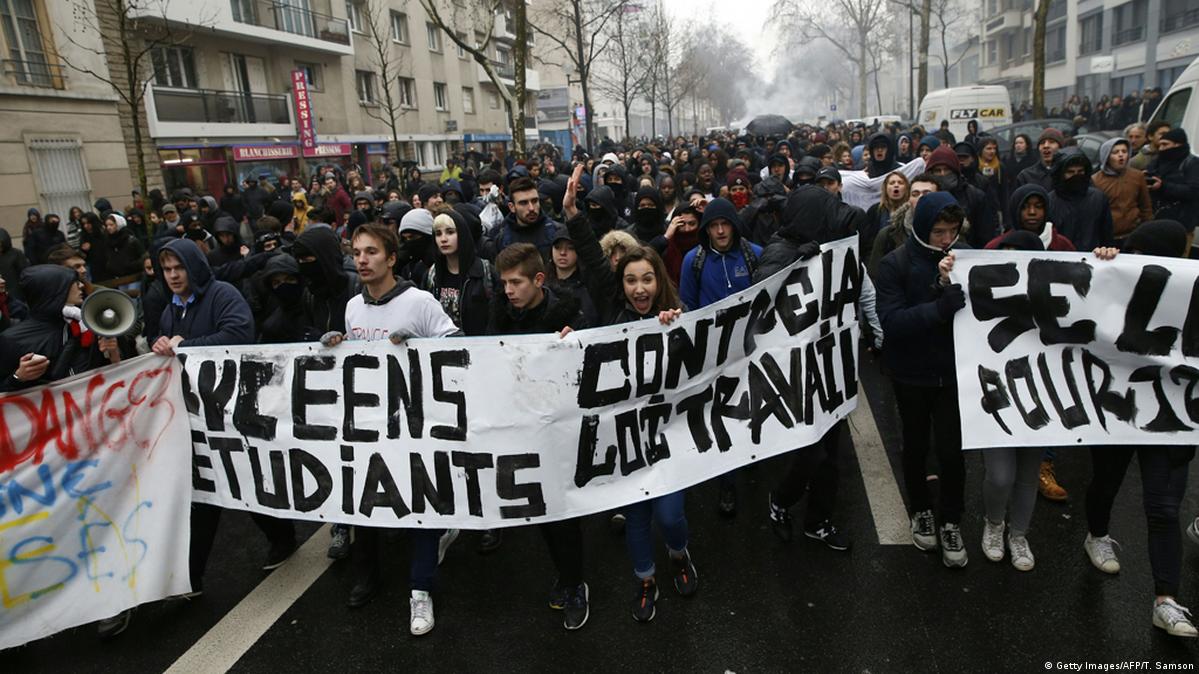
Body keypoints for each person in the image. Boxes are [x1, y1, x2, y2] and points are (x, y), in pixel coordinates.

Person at [562, 164, 697, 621]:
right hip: (623, 439)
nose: (639, 288)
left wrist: (676, 327)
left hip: (668, 436)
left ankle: (678, 553)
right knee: (637, 517)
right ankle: (645, 580)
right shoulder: (612, 315)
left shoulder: (679, 316)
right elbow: (592, 256)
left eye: (647, 279)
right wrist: (573, 215)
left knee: (670, 515)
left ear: (659, 281)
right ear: (621, 286)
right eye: (630, 280)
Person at [319, 223, 458, 635]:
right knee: (365, 499)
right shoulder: (352, 307)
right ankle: (367, 574)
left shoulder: (420, 302)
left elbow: (459, 348)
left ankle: (420, 589)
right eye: (357, 253)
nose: (362, 260)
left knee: (421, 504)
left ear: (392, 258)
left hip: (416, 425)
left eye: (372, 252)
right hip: (370, 426)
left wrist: (420, 345)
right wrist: (337, 346)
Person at [151, 239, 298, 600]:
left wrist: (184, 346)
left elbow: (237, 335)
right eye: (167, 269)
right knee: (205, 491)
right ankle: (192, 577)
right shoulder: (170, 310)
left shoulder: (222, 295)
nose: (173, 276)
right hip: (197, 414)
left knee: (242, 479)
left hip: (232, 411)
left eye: (179, 268)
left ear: (194, 267)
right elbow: (170, 347)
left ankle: (282, 537)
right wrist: (161, 345)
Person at [1082, 220, 1197, 638]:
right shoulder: (1119, 274)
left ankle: (1166, 601)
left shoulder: (1190, 284)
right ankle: (1096, 534)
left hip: (1171, 413)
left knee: (1164, 507)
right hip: (1120, 405)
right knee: (1106, 481)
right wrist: (1104, 265)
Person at [759, 186, 878, 551]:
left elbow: (859, 286)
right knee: (813, 453)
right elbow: (760, 304)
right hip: (795, 372)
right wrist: (794, 268)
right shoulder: (780, 251)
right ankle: (780, 501)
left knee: (831, 456)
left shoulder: (829, 248)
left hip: (827, 367)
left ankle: (818, 522)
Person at [486, 242, 590, 630]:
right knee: (544, 510)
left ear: (539, 280)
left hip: (561, 429)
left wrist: (577, 341)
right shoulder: (500, 313)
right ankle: (566, 574)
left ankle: (574, 583)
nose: (508, 290)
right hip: (522, 427)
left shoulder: (569, 313)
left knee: (563, 513)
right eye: (504, 283)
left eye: (516, 282)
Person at [875, 191, 969, 568]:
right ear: (922, 228)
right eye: (938, 231)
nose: (946, 239)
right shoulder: (894, 264)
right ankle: (922, 511)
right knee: (915, 446)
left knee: (952, 452)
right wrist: (939, 304)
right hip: (910, 374)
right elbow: (892, 321)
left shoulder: (967, 258)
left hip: (952, 374)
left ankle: (951, 520)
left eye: (952, 231)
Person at [925, 145, 996, 247]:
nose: (943, 174)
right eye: (938, 170)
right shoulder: (925, 194)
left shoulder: (974, 196)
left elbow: (985, 234)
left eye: (947, 169)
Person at [1047, 148, 1114, 252]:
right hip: (1061, 259)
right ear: (1060, 174)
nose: (1076, 176)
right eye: (1070, 172)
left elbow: (1107, 236)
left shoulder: (1098, 199)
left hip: (1094, 258)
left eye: (1080, 171)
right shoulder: (1049, 202)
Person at [482, 176, 562, 260]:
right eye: (523, 203)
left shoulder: (555, 231)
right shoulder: (502, 239)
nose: (531, 208)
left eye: (534, 201)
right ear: (512, 207)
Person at [1146, 128, 1199, 253]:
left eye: (1165, 144)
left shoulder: (1192, 163)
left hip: (1181, 225)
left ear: (1177, 144)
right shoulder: (1157, 161)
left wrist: (1163, 186)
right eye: (1160, 145)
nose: (1161, 149)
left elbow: (1193, 191)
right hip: (1156, 222)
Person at [1091, 137, 1153, 243]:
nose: (1121, 155)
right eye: (1115, 152)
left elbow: (1145, 207)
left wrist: (1147, 229)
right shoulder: (1095, 180)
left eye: (1124, 151)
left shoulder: (1137, 176)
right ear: (1106, 156)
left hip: (1133, 234)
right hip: (1107, 237)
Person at [864, 172, 909, 257]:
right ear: (885, 188)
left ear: (906, 188)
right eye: (892, 183)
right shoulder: (875, 211)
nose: (896, 185)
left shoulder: (912, 211)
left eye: (900, 183)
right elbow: (869, 243)